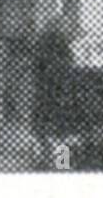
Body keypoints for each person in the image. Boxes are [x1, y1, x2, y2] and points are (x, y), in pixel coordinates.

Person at [31, 14, 77, 166]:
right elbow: (67, 68)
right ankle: (62, 162)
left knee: (42, 130)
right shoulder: (62, 45)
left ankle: (42, 159)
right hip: (58, 92)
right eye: (65, 25)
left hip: (43, 91)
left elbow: (37, 67)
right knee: (60, 131)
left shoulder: (40, 43)